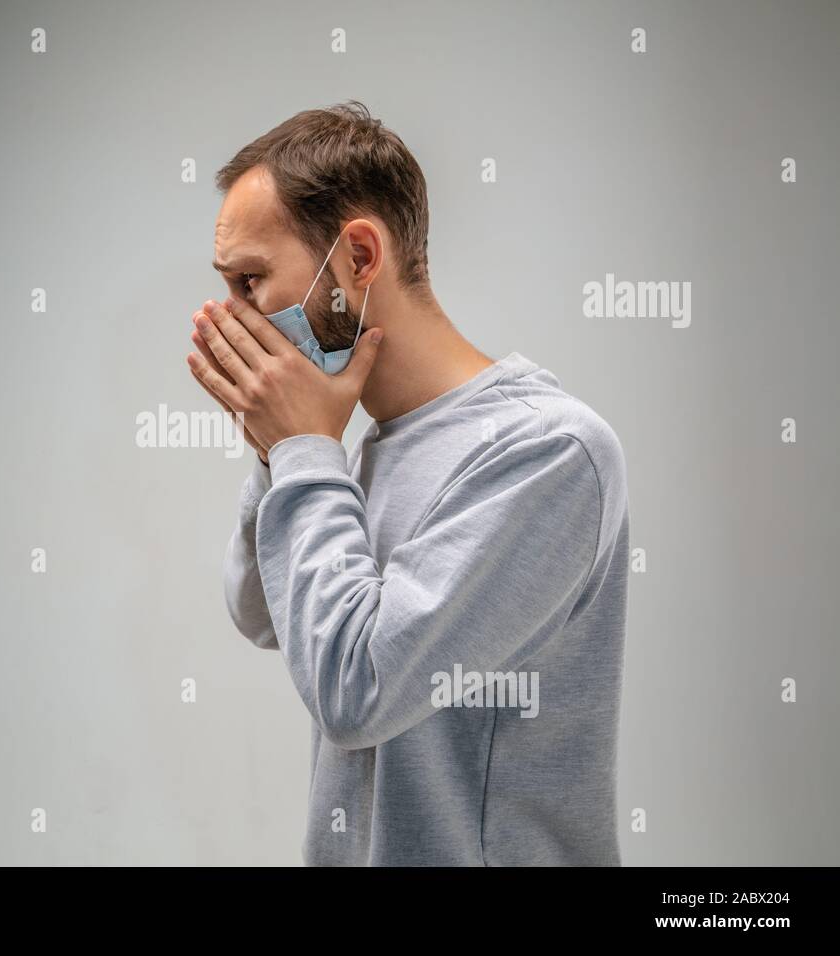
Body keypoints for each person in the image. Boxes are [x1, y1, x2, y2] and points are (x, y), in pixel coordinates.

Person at [186, 101, 629, 866]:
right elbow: (259, 611)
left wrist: (302, 448)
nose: (234, 317)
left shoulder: (548, 452)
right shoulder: (359, 450)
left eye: (251, 280)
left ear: (359, 257)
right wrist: (282, 455)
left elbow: (356, 690)